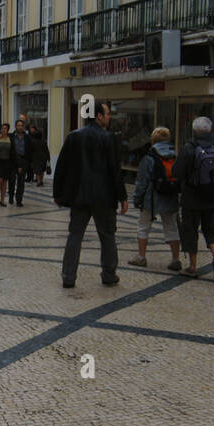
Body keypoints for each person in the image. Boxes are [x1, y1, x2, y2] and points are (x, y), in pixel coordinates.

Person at [52, 101, 128, 287]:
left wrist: (58, 193)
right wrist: (122, 196)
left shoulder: (74, 137)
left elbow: (61, 166)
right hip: (104, 197)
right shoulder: (109, 138)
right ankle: (109, 274)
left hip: (79, 196)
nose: (110, 117)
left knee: (75, 236)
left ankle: (68, 277)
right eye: (108, 114)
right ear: (99, 116)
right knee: (108, 236)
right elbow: (114, 171)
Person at [173, 116, 214, 280]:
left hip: (192, 197)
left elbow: (177, 172)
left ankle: (192, 266)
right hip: (213, 198)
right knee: (211, 228)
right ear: (210, 130)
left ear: (194, 131)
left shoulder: (189, 148)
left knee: (190, 230)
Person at [127, 127, 182, 272]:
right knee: (171, 227)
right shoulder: (175, 155)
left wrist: (137, 198)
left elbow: (141, 181)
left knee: (143, 226)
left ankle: (141, 257)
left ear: (153, 140)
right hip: (170, 196)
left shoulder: (149, 157)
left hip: (151, 199)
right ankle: (175, 258)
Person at [10, 118, 32, 206]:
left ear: (23, 127)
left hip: (23, 161)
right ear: (15, 126)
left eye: (21, 125)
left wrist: (28, 162)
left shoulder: (27, 137)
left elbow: (30, 150)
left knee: (21, 181)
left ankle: (19, 200)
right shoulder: (11, 136)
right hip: (13, 161)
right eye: (18, 125)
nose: (20, 127)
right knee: (12, 180)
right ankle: (11, 196)